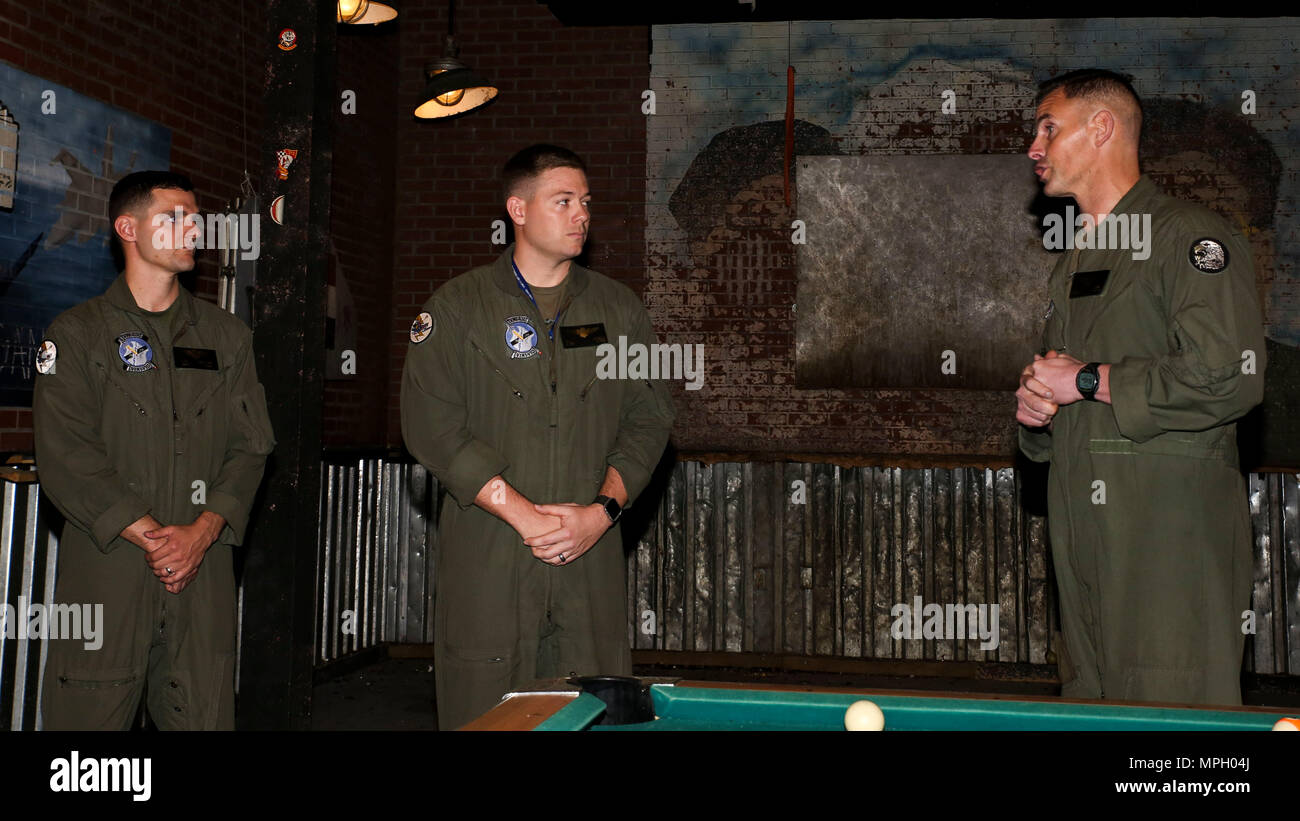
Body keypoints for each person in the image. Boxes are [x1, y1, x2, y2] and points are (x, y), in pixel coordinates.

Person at [401, 144, 675, 729]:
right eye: (564, 200)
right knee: (486, 707)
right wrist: (526, 516)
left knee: (593, 705)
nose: (582, 214)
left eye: (586, 202)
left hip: (589, 559)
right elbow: (433, 428)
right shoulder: (456, 309)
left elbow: (648, 421)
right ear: (518, 211)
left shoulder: (618, 310)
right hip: (491, 556)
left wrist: (600, 513)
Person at [1015, 70, 1266, 705]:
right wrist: (1037, 414)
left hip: (1164, 542)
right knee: (1093, 714)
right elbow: (1068, 391)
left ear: (1101, 128)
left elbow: (1229, 376)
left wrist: (1088, 379)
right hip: (1083, 542)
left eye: (1049, 127)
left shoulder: (1192, 239)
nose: (1034, 148)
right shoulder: (1075, 260)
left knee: (1171, 738)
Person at [34, 170, 275, 729]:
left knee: (203, 711)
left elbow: (251, 447)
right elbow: (67, 454)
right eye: (174, 217)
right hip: (110, 568)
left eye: (195, 219)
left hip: (203, 574)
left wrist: (202, 532)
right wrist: (155, 538)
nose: (192, 229)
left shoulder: (226, 337)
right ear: (127, 228)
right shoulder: (77, 335)